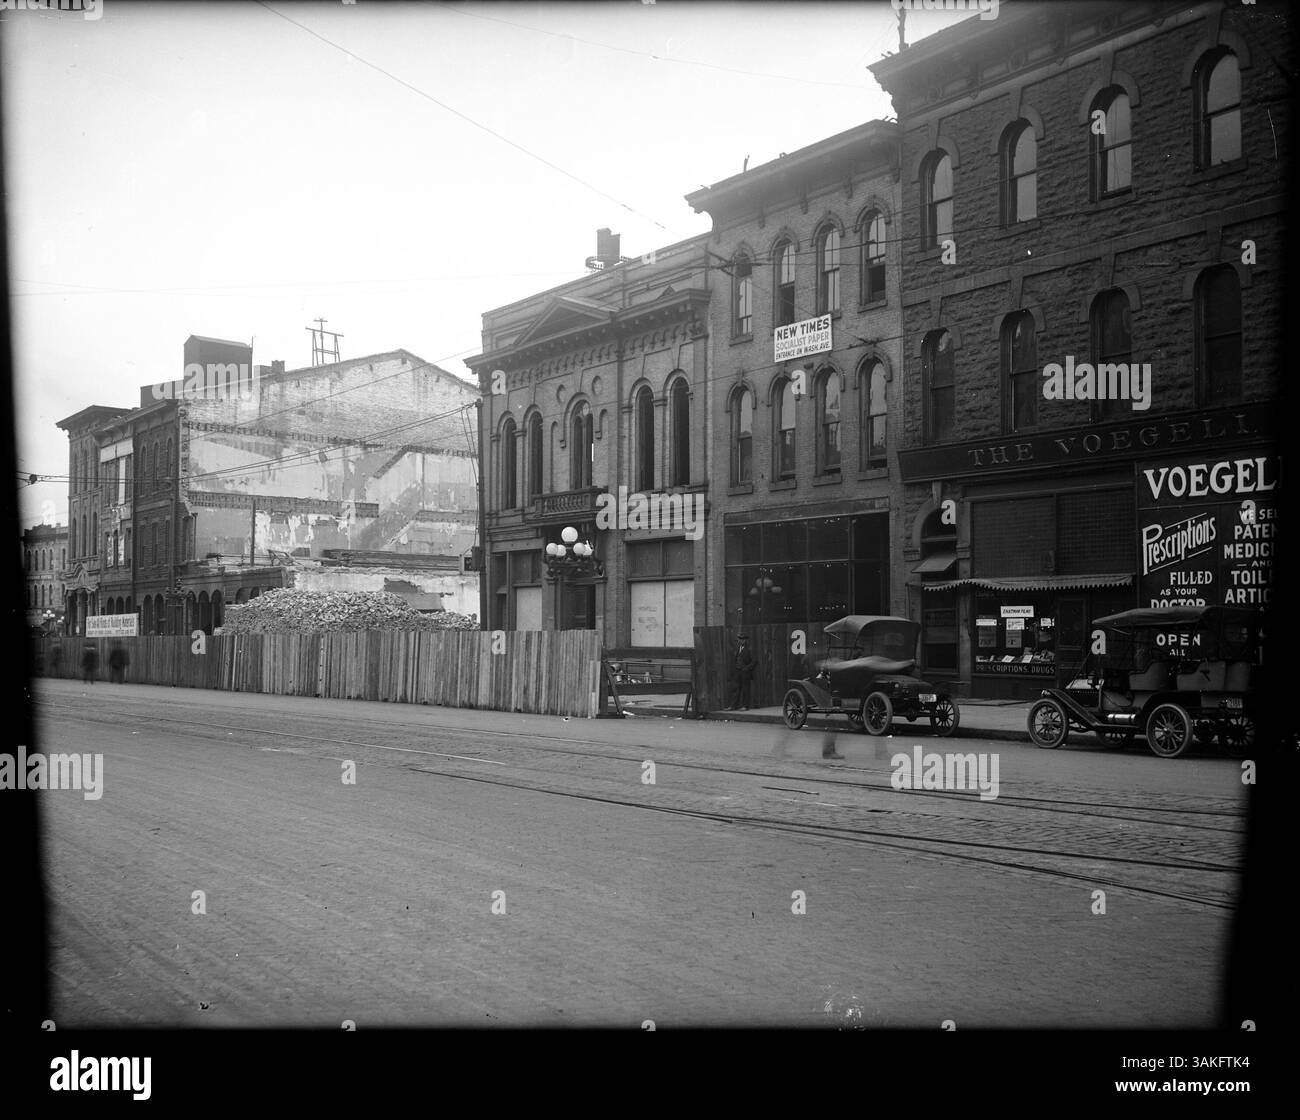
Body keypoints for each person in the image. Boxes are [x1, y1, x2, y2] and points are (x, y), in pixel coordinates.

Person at [727, 633, 756, 710]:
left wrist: (746, 668)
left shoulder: (750, 648)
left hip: (745, 672)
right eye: (740, 639)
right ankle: (733, 706)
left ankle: (745, 706)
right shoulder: (737, 648)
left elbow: (754, 661)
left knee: (745, 689)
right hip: (737, 671)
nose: (741, 640)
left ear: (745, 640)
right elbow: (736, 659)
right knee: (736, 689)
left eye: (742, 639)